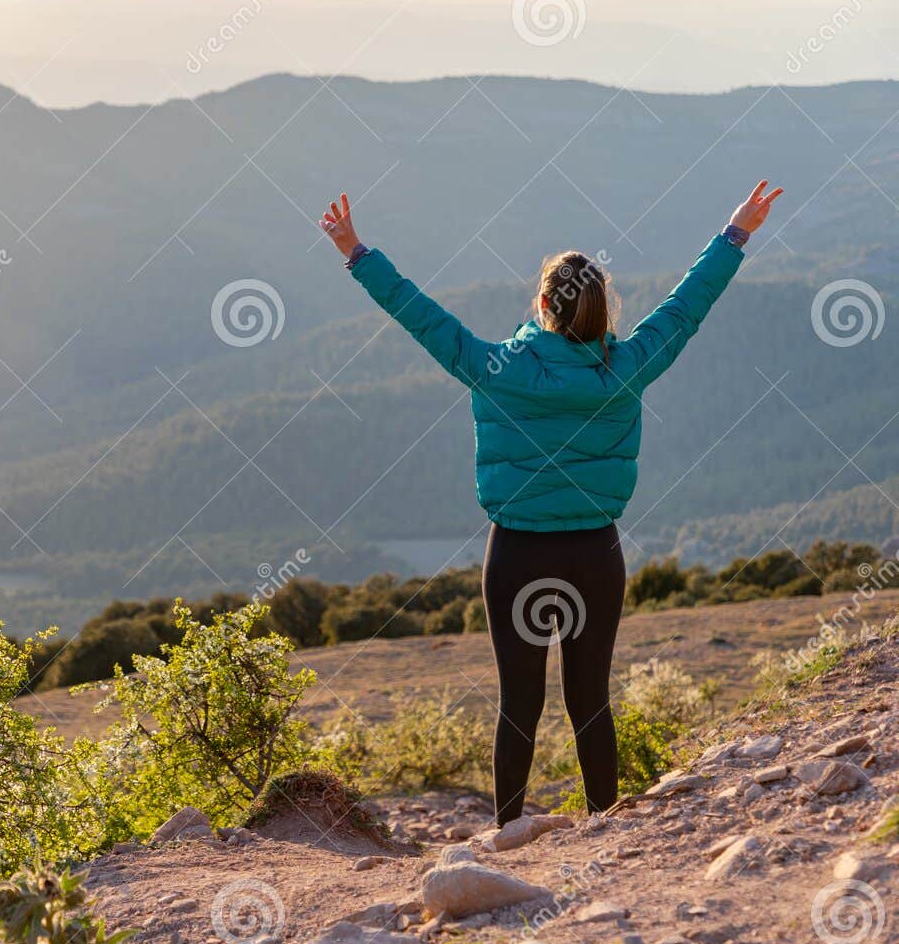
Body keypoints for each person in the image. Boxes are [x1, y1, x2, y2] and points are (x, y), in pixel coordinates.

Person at [318, 182, 783, 820]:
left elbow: (420, 316)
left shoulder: (494, 368)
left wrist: (356, 252)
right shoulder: (627, 367)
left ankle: (507, 831)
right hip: (595, 551)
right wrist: (735, 235)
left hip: (517, 555)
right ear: (600, 313)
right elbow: (684, 310)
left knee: (520, 703)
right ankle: (605, 827)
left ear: (542, 304)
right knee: (590, 697)